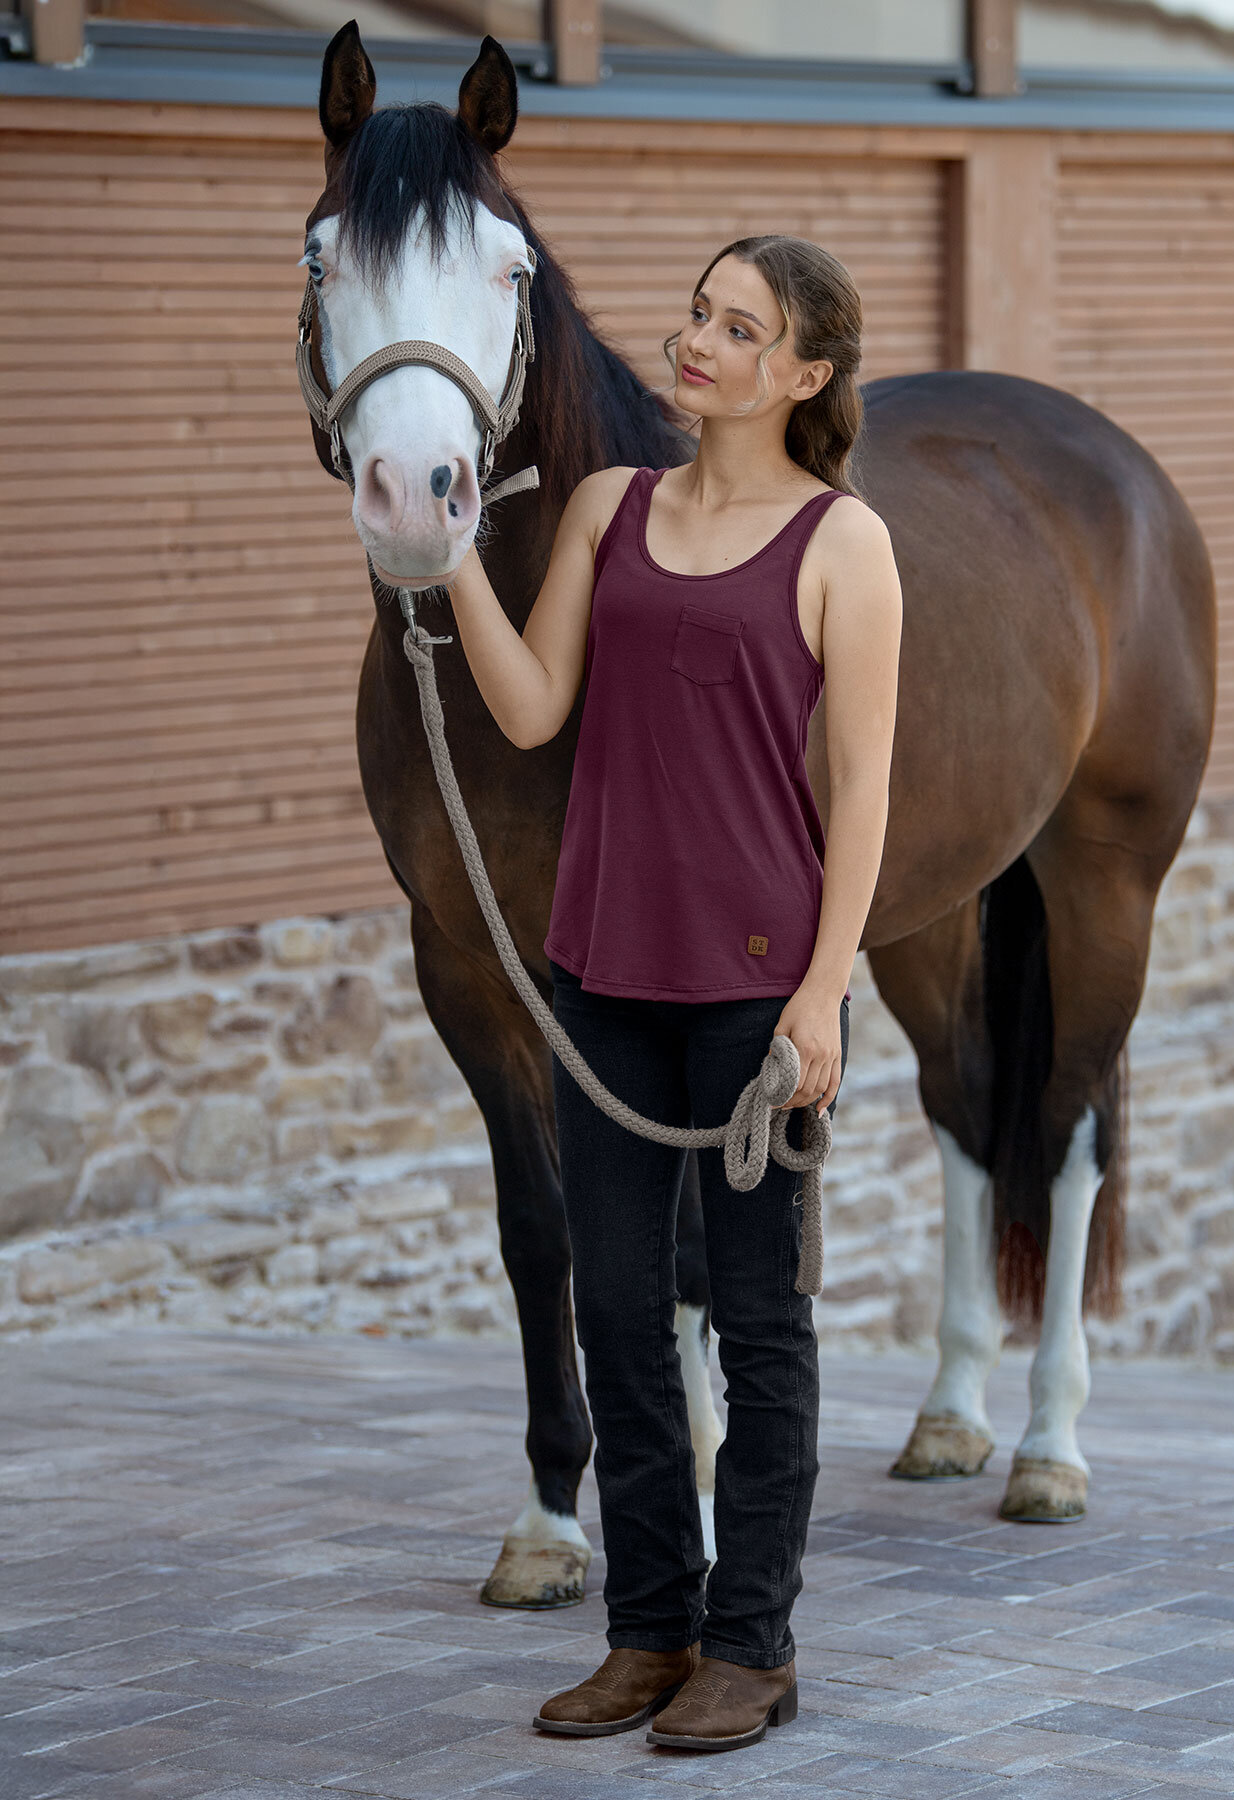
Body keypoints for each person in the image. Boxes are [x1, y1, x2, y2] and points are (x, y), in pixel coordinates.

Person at [445, 233, 902, 1753]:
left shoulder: (844, 545)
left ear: (804, 373)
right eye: (697, 313)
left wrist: (825, 998)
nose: (694, 340)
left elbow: (863, 791)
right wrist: (440, 549)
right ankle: (648, 1631)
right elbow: (528, 709)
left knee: (758, 1327)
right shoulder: (606, 507)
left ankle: (750, 1647)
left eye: (737, 326)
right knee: (620, 1315)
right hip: (602, 974)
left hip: (758, 994)